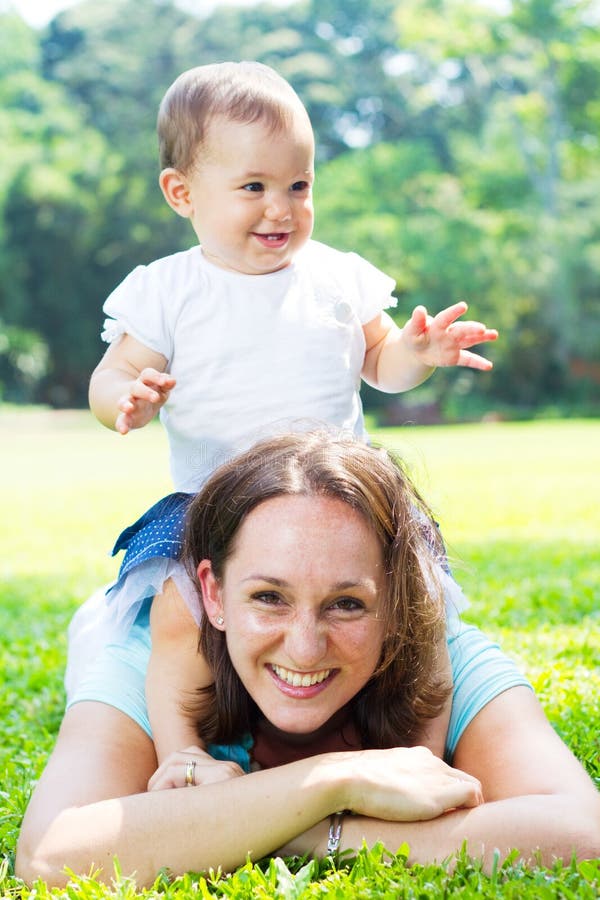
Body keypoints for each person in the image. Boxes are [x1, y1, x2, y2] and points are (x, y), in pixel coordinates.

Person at [86, 60, 497, 769]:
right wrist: (127, 398)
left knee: (419, 602)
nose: (281, 208)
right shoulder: (168, 290)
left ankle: (419, 753)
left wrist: (417, 350)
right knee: (180, 619)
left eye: (298, 186)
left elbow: (381, 365)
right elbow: (112, 373)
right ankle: (184, 757)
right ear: (182, 193)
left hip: (338, 503)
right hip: (213, 506)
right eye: (253, 188)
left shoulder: (336, 276)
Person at [16, 433, 600, 889]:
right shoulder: (145, 662)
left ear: (395, 605)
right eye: (269, 597)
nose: (304, 646)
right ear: (213, 595)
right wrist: (333, 781)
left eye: (347, 604)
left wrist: (292, 828)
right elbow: (49, 856)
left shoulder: (448, 657)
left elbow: (582, 834)